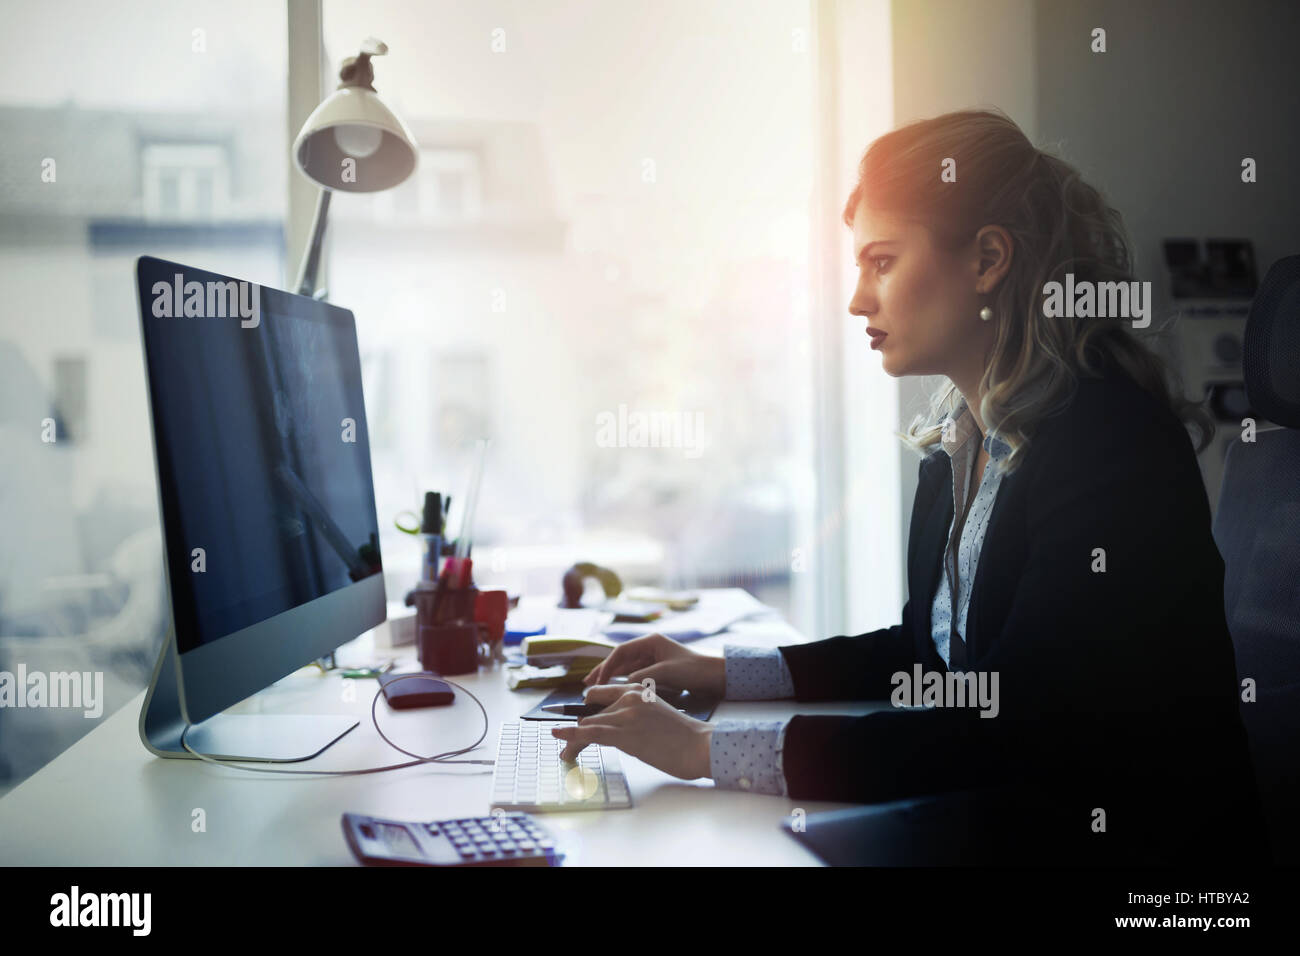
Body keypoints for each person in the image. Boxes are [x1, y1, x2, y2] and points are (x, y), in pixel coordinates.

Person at [551, 108, 1269, 865]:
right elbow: (923, 657)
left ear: (988, 258)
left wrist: (708, 749)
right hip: (1013, 814)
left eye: (883, 262)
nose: (859, 298)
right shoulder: (957, 441)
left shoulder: (1107, 441)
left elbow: (1016, 723)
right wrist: (724, 672)